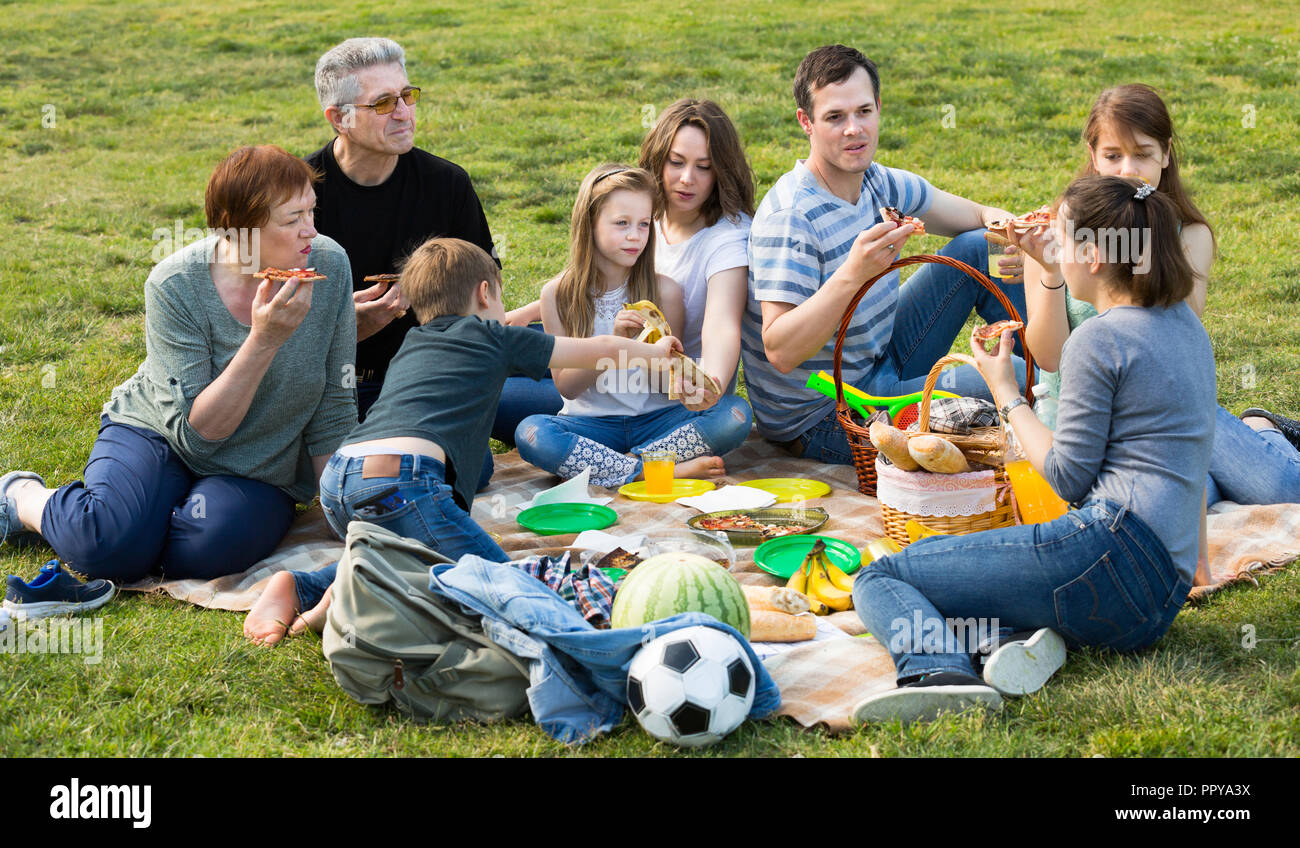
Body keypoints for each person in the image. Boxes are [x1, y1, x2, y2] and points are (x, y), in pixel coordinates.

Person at [851, 175, 1216, 724]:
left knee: (883, 578)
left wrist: (1003, 389)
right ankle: (1019, 638)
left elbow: (1066, 477)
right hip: (1158, 598)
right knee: (968, 587)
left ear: (1093, 256)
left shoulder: (1100, 338)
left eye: (1063, 243)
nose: (1058, 255)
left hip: (1109, 554)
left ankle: (937, 671)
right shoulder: (1184, 324)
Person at [243, 238, 684, 645]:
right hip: (402, 482)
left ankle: (305, 586)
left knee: (410, 555)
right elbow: (595, 348)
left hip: (342, 479)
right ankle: (341, 603)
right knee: (502, 583)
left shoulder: (413, 342)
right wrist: (653, 352)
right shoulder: (490, 336)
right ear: (485, 293)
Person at [0, 146, 356, 585]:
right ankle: (25, 498)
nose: (311, 232)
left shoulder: (330, 265)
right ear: (237, 232)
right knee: (106, 549)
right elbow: (198, 435)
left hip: (259, 463)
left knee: (204, 551)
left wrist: (339, 512)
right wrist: (264, 342)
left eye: (311, 212)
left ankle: (140, 525)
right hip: (160, 432)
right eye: (292, 220)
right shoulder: (175, 284)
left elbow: (334, 401)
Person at [741, 44, 1032, 464]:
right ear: (806, 122)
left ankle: (1059, 379)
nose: (853, 129)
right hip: (827, 414)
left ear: (878, 107)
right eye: (834, 117)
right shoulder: (792, 217)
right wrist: (852, 274)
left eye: (863, 112)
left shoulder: (875, 179)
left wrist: (1013, 236)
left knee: (975, 249)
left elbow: (974, 216)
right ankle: (1043, 399)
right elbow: (781, 351)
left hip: (879, 359)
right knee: (1014, 376)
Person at [1019, 84, 1300, 512]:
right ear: (1093, 155)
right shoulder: (1060, 229)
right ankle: (1215, 473)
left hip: (1165, 414)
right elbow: (1050, 358)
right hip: (1077, 421)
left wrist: (1130, 249)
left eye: (1143, 153)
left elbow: (1169, 344)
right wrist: (1052, 270)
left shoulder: (1189, 235)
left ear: (1166, 154)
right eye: (1112, 155)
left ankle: (1261, 428)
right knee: (1174, 503)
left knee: (1288, 492)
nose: (1128, 169)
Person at [494, 97, 758, 439]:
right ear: (658, 159)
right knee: (499, 352)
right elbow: (597, 279)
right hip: (597, 347)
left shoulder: (727, 239)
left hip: (652, 386)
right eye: (676, 162)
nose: (687, 179)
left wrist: (711, 384)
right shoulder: (644, 213)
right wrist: (533, 310)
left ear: (721, 169)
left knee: (498, 399)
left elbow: (722, 325)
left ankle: (627, 459)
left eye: (704, 167)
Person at [513, 165, 752, 487]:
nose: (634, 236)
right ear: (590, 223)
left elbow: (663, 384)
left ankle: (620, 469)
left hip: (659, 421)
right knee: (532, 433)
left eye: (643, 225)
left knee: (734, 414)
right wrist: (614, 344)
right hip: (592, 425)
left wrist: (664, 359)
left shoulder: (664, 291)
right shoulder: (557, 295)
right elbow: (568, 387)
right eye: (621, 223)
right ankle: (654, 472)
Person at [306, 37, 497, 421]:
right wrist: (345, 330)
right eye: (382, 103)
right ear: (339, 118)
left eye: (407, 96)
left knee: (471, 469)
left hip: (429, 380)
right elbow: (257, 324)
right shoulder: (300, 196)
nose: (403, 112)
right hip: (325, 385)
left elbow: (486, 296)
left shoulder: (447, 184)